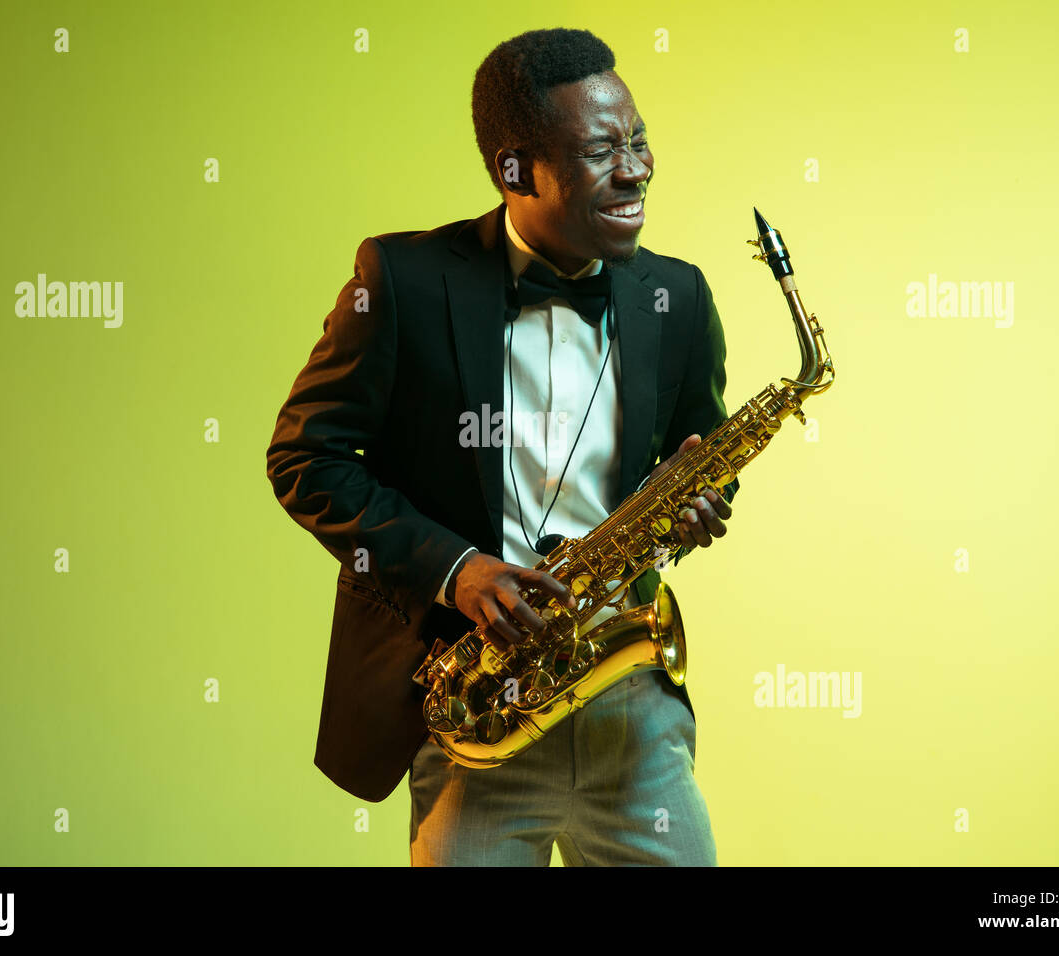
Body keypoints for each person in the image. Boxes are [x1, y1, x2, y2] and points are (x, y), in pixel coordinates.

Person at [265, 27, 737, 865]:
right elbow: (307, 456)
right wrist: (456, 568)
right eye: (599, 151)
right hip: (476, 712)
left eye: (637, 140)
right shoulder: (402, 282)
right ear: (514, 171)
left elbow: (697, 461)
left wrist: (700, 502)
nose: (635, 170)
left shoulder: (678, 295)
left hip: (631, 708)